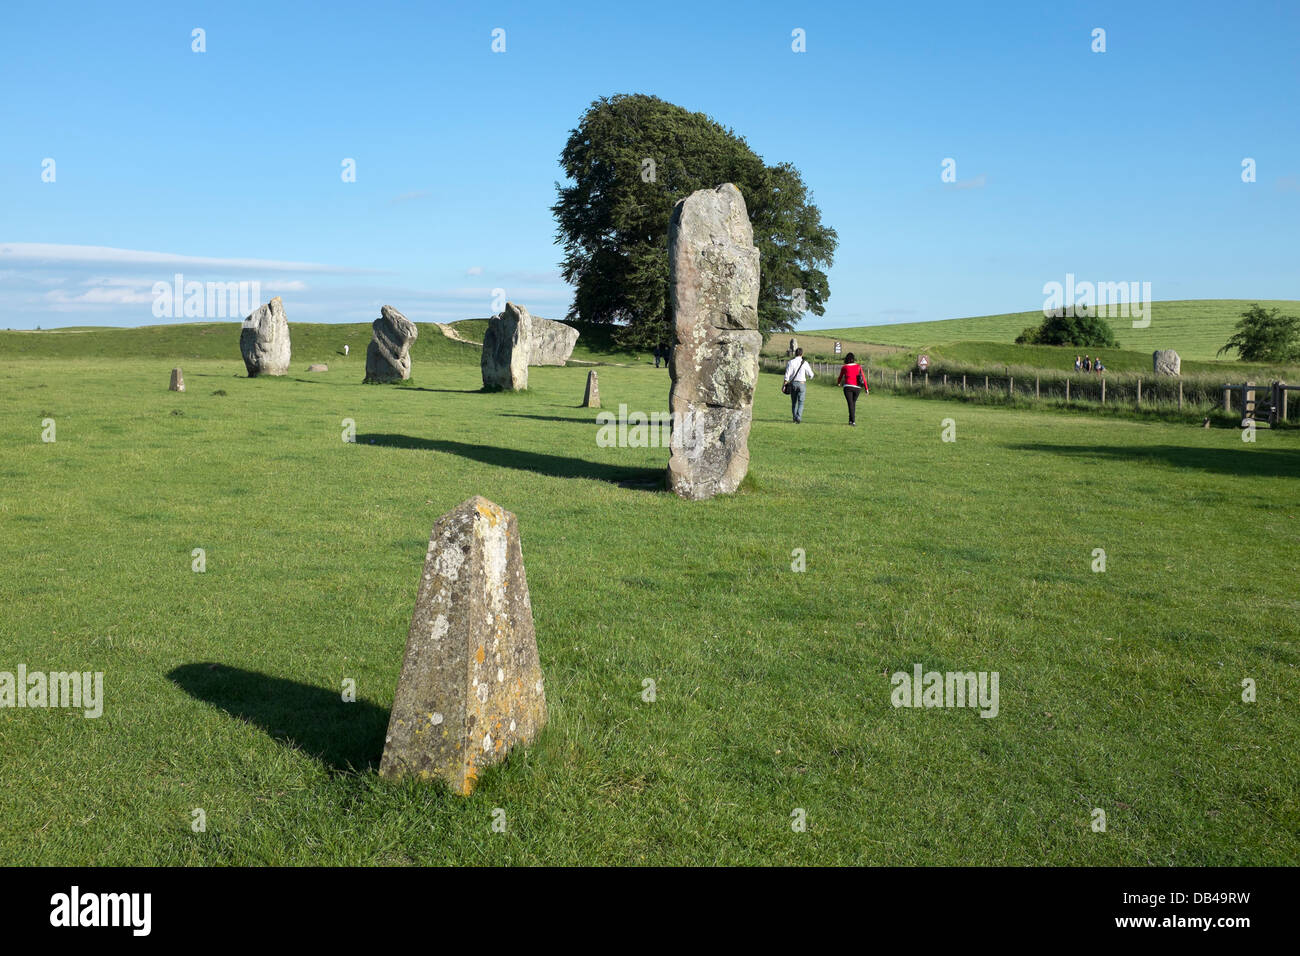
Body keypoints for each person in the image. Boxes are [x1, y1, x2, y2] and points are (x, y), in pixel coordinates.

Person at [835, 352, 868, 425]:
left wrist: (838, 383)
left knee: (850, 404)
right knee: (853, 404)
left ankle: (853, 421)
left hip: (848, 387)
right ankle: (851, 421)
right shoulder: (858, 366)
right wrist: (866, 388)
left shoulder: (844, 367)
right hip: (857, 388)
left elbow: (840, 376)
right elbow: (863, 377)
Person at [783, 348, 814, 423]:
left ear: (795, 353)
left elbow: (787, 375)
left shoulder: (791, 362)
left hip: (793, 384)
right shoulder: (805, 363)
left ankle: (794, 418)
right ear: (802, 354)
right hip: (802, 384)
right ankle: (798, 417)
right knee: (801, 402)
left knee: (794, 402)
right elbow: (811, 375)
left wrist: (784, 385)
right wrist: (810, 377)